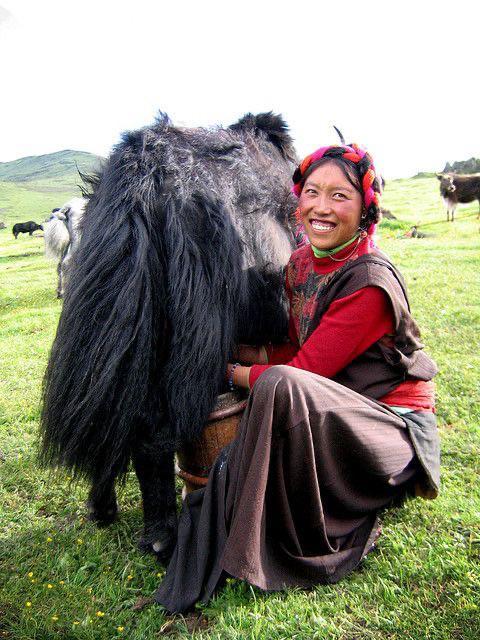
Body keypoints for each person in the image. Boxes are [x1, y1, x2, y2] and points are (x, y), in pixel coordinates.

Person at [155, 142, 440, 613]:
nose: (321, 207)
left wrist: (231, 370)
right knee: (274, 379)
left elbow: (303, 372)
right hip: (339, 407)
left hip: (391, 427)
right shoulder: (303, 264)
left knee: (277, 385)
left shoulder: (369, 280)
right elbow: (300, 347)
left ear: (366, 208)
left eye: (340, 196)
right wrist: (242, 350)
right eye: (311, 192)